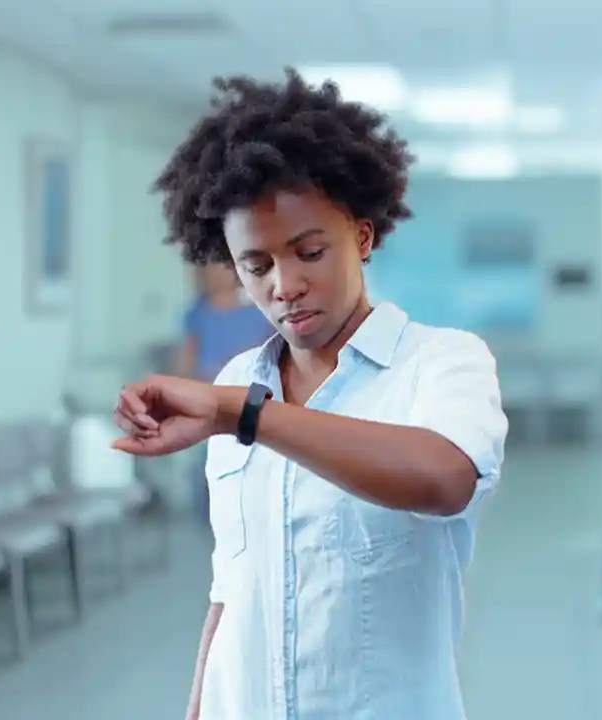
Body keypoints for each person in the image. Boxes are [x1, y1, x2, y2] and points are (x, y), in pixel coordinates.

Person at [110, 69, 508, 720]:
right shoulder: (235, 382)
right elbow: (230, 589)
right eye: (257, 266)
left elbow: (444, 478)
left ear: (362, 235)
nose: (285, 285)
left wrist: (242, 415)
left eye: (309, 251)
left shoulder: (444, 362)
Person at [175, 262, 273, 522]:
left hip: (252, 401)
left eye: (223, 267)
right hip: (211, 402)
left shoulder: (258, 312)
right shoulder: (197, 314)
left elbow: (272, 359)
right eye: (210, 268)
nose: (217, 275)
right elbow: (185, 363)